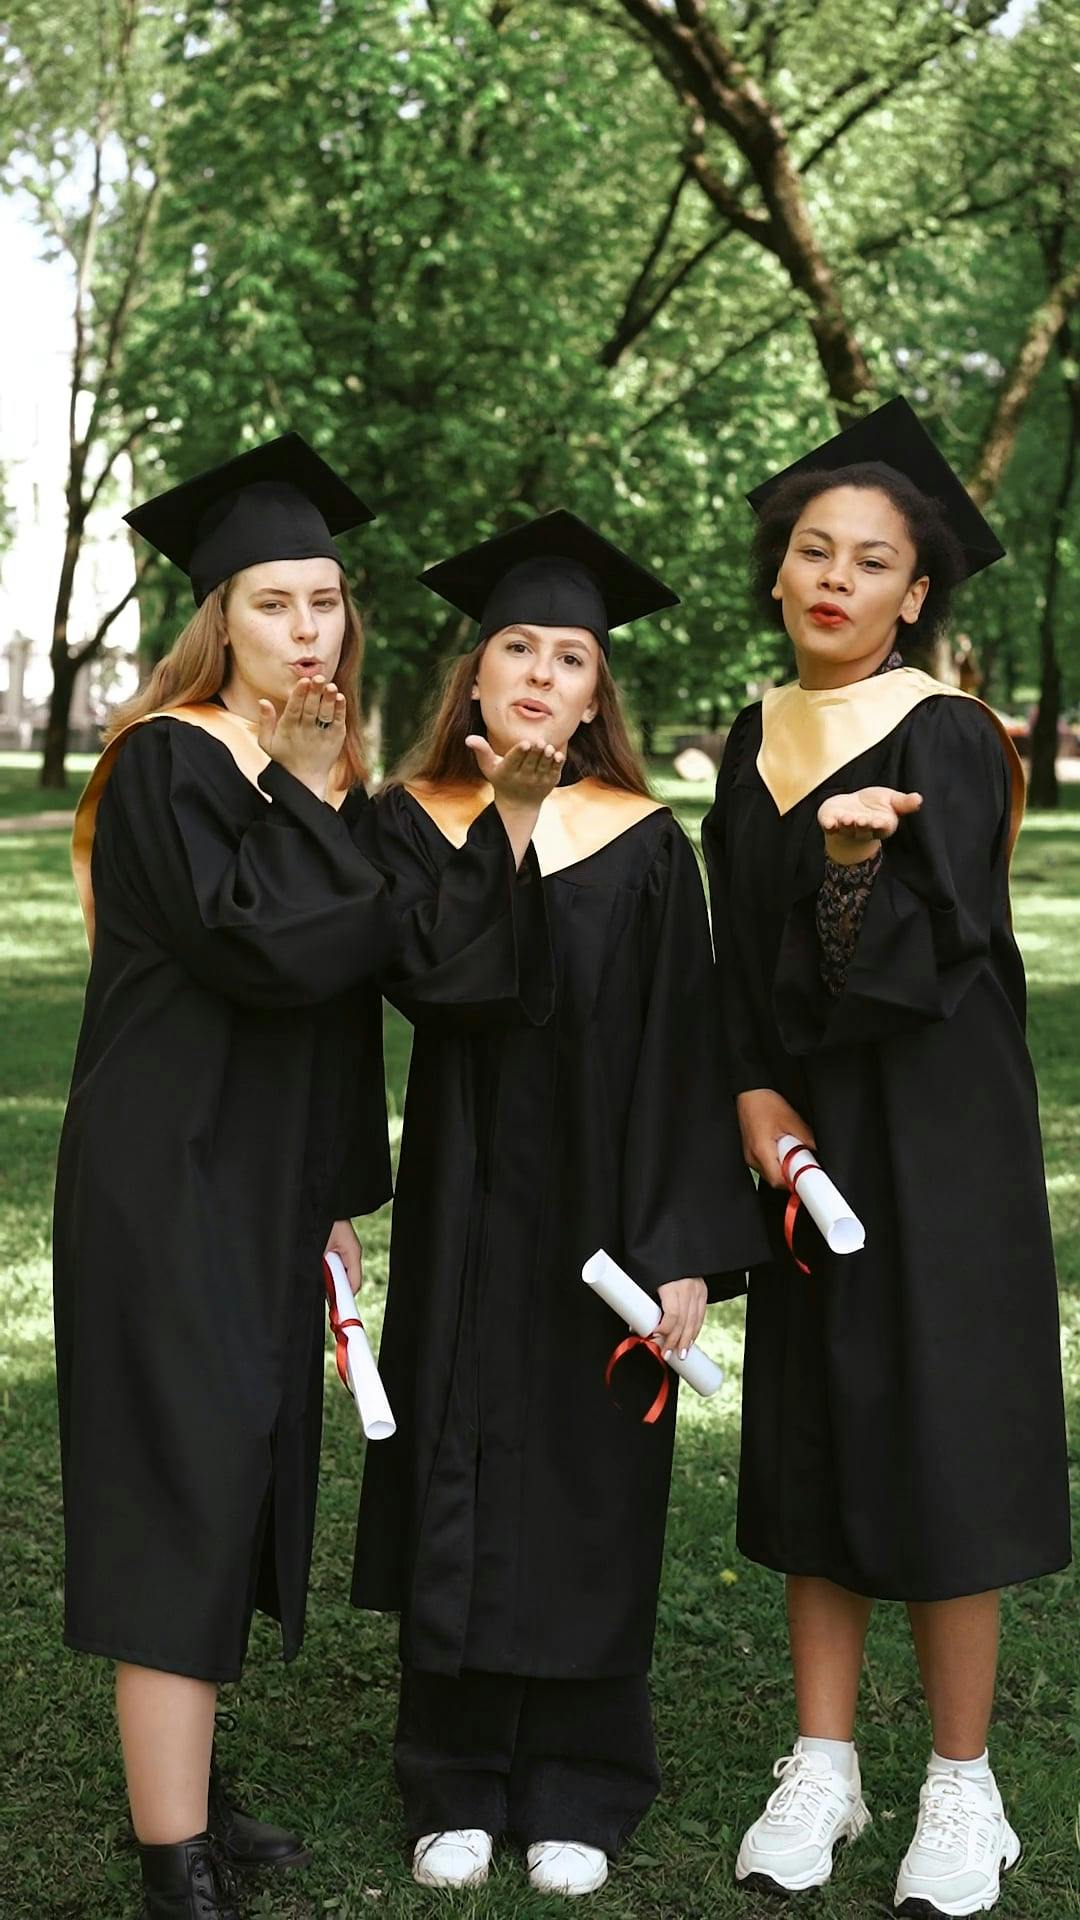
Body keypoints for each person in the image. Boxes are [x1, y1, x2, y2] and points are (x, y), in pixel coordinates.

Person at [54, 435, 562, 1920]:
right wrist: (303, 782)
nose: (311, 629)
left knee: (242, 1474)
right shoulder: (169, 761)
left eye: (328, 601)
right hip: (167, 1181)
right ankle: (171, 1865)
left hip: (266, 1180)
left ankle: (198, 1794)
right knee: (181, 1488)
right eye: (276, 603)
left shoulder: (308, 773)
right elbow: (269, 948)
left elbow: (390, 970)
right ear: (220, 616)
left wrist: (513, 822)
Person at [350, 510, 768, 1898]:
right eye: (515, 646)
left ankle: (584, 1781)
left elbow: (681, 1049)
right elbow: (443, 984)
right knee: (460, 1470)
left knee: (596, 1482)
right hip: (471, 1211)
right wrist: (512, 819)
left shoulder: (651, 844)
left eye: (570, 655)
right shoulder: (410, 823)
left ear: (600, 694)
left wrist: (682, 1250)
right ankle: (455, 1779)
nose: (539, 671)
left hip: (605, 1213)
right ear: (472, 677)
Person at [700, 398, 1071, 1918]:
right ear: (782, 575)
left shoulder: (948, 733)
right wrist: (748, 1098)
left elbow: (934, 958)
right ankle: (827, 1765)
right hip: (809, 1137)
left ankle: (963, 1793)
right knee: (814, 1436)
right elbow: (730, 958)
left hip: (937, 1137)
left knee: (940, 1434)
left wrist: (854, 882)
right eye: (812, 553)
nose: (836, 579)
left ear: (917, 593)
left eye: (872, 561)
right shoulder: (753, 735)